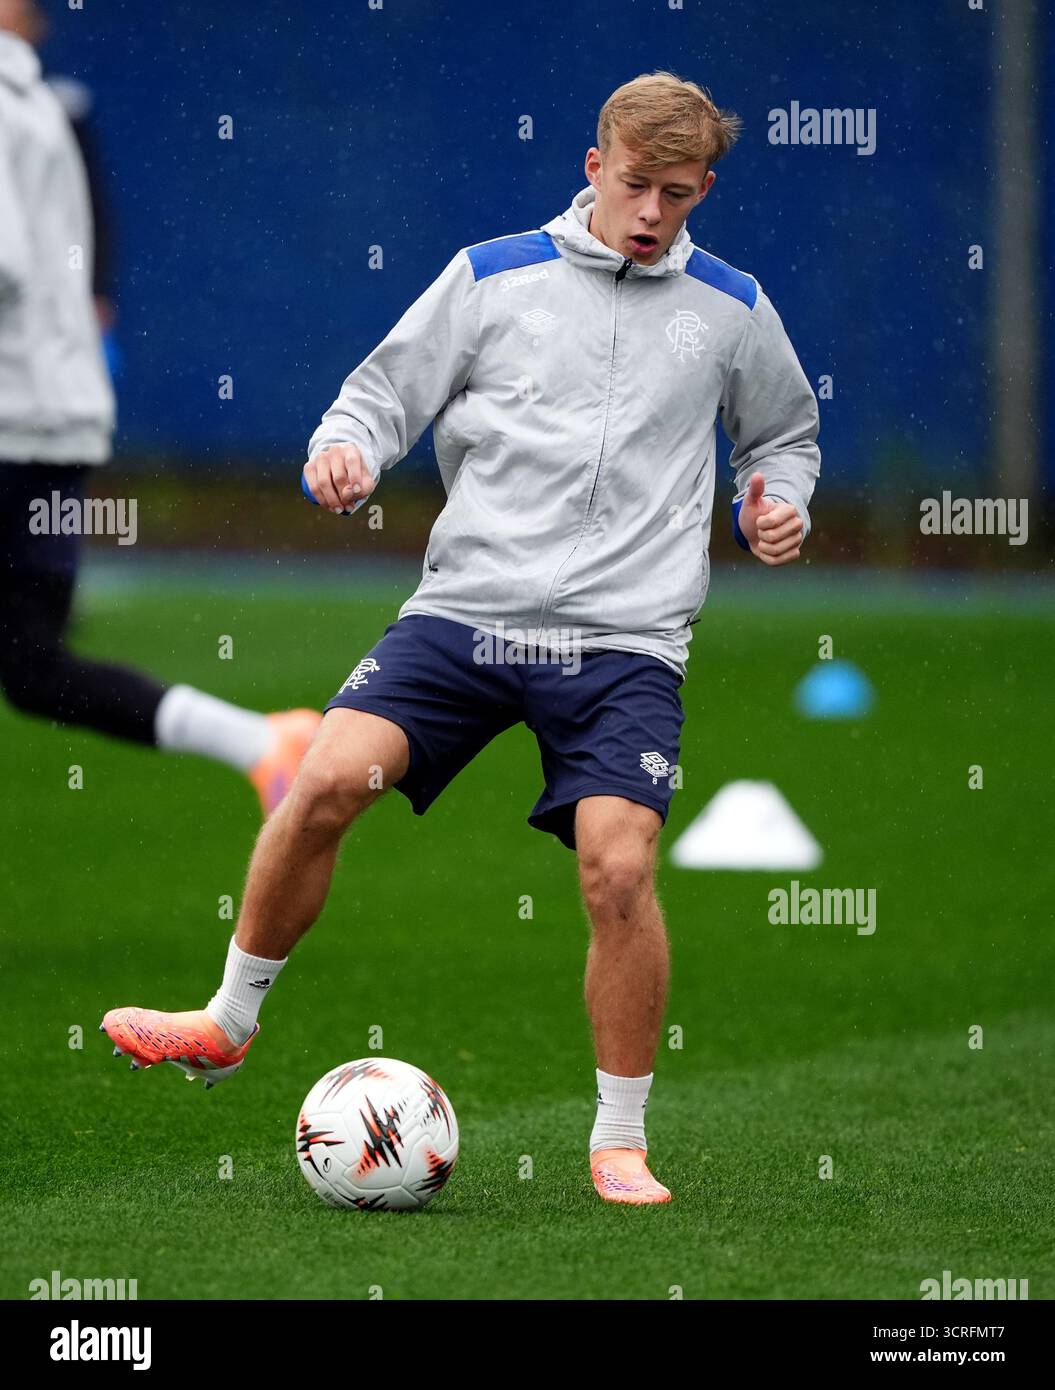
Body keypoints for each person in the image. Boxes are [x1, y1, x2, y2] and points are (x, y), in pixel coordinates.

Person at [103, 72, 820, 1206]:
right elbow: (378, 397)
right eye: (634, 185)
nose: (650, 213)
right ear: (593, 167)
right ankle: (228, 1020)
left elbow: (782, 433)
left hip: (624, 642)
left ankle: (618, 1139)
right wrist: (341, 452)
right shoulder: (492, 277)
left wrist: (771, 498)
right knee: (329, 777)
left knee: (618, 864)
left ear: (702, 190)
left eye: (675, 195)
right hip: (466, 615)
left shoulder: (730, 308)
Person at [0, 9, 319, 816]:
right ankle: (260, 742)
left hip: (13, 418)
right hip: (54, 421)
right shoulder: (37, 98)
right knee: (31, 664)